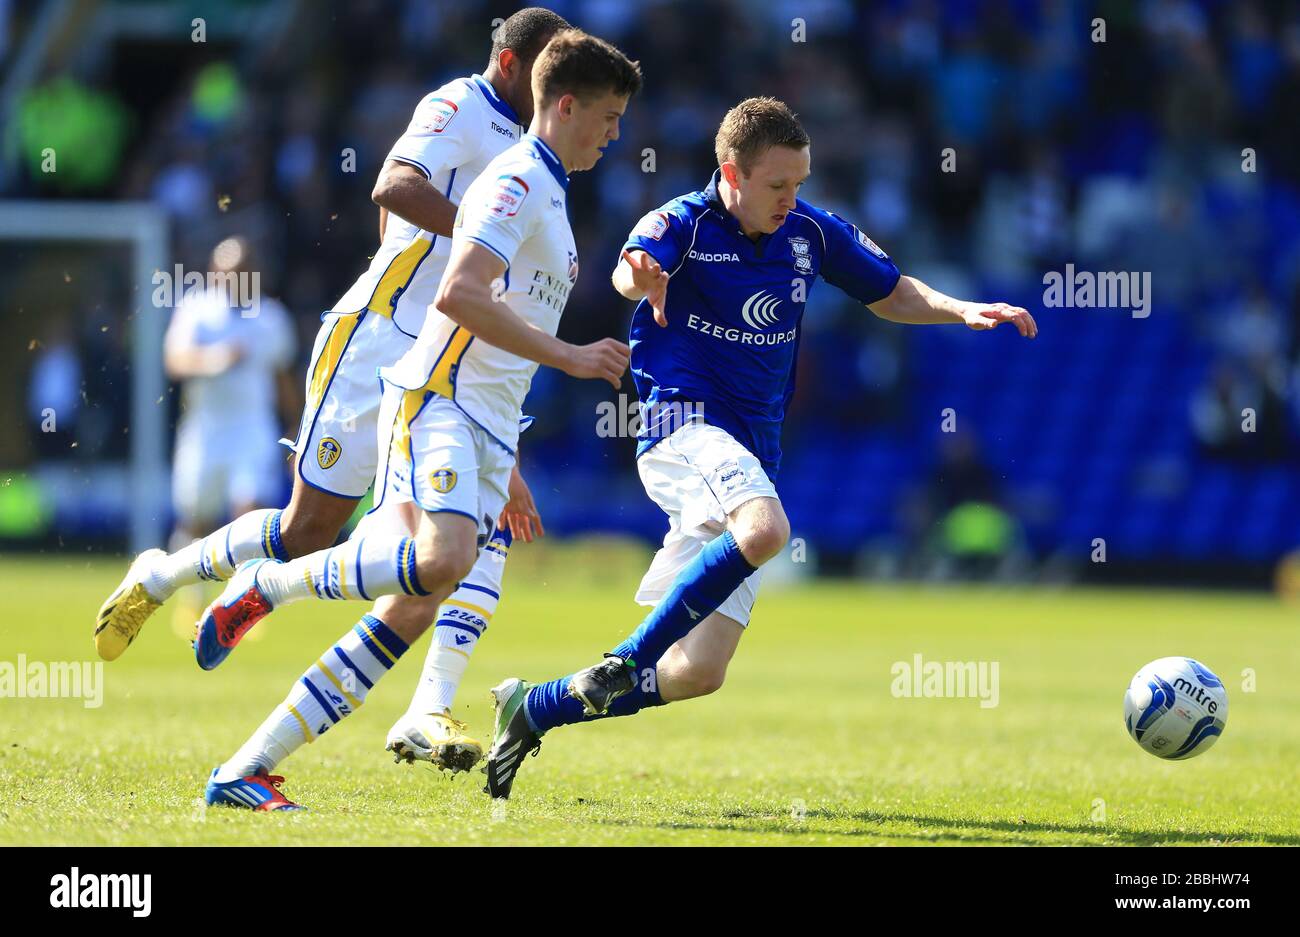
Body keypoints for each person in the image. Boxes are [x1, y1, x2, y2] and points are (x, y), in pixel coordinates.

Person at [481, 96, 1038, 798]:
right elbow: (631, 265)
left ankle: (535, 707)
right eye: (778, 184)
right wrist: (640, 279)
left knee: (697, 672)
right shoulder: (683, 221)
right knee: (767, 528)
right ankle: (623, 657)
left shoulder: (810, 231)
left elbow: (891, 291)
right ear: (731, 174)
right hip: (681, 428)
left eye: (799, 182)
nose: (791, 198)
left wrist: (961, 309)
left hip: (749, 451)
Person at [93, 8, 569, 778]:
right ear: (514, 65)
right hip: (374, 341)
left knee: (457, 543)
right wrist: (481, 235)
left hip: (442, 364)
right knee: (310, 527)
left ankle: (422, 706)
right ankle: (165, 573)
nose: (558, 93)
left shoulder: (532, 152)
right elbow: (393, 184)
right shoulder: (458, 106)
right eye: (549, 74)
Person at [195, 30, 643, 810]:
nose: (615, 135)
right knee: (442, 561)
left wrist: (508, 462)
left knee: (415, 602)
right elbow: (459, 296)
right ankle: (271, 582)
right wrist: (570, 356)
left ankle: (246, 768)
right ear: (564, 105)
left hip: (485, 421)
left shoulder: (548, 186)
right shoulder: (512, 183)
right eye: (607, 117)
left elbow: (496, 319)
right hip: (437, 400)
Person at [161, 237, 295, 630]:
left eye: (241, 272)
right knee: (195, 519)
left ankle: (243, 607)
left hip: (252, 426)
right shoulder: (196, 310)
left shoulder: (271, 317)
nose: (232, 279)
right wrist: (218, 358)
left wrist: (294, 425)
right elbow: (175, 360)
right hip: (206, 427)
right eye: (226, 272)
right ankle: (191, 600)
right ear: (213, 273)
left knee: (248, 510)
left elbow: (283, 376)